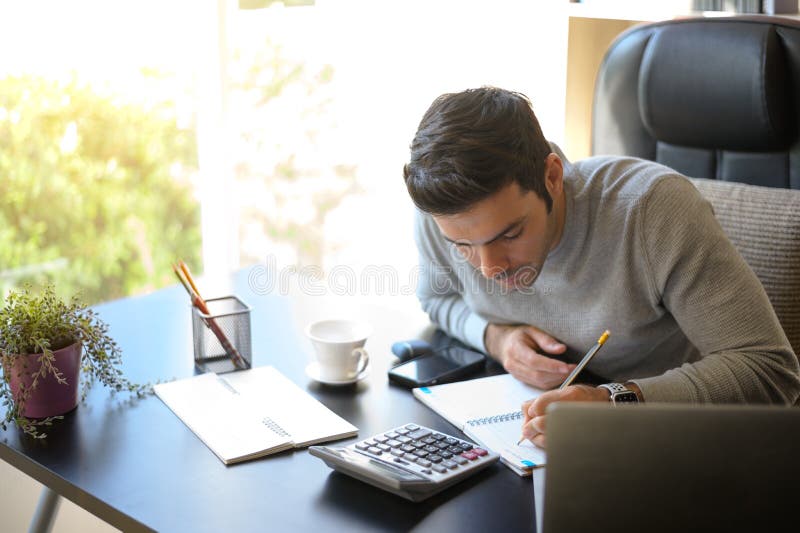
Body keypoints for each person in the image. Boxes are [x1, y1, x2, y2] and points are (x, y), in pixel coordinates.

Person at [402, 86, 800, 448]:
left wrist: (615, 401)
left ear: (552, 177)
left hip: (674, 439)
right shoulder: (445, 212)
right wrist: (497, 339)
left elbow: (768, 369)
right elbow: (438, 299)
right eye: (463, 246)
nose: (489, 269)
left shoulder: (652, 210)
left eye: (509, 235)